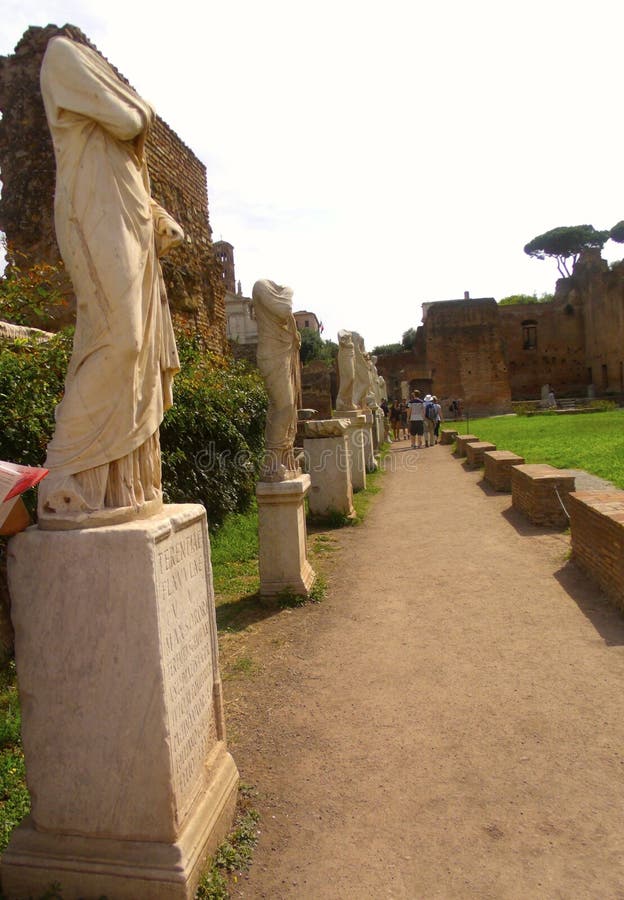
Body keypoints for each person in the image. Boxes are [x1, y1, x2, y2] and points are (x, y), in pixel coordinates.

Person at [37, 34, 183, 528]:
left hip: (131, 218)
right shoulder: (62, 57)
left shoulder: (98, 82)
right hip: (92, 213)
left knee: (137, 352)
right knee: (120, 339)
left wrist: (158, 215)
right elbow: (130, 120)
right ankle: (65, 470)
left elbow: (132, 159)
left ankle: (124, 481)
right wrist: (140, 106)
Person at [252, 279, 302, 482]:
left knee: (285, 409)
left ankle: (285, 458)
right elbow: (284, 309)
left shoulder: (274, 293)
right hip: (271, 353)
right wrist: (289, 290)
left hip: (283, 352)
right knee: (285, 406)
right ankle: (271, 462)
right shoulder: (260, 287)